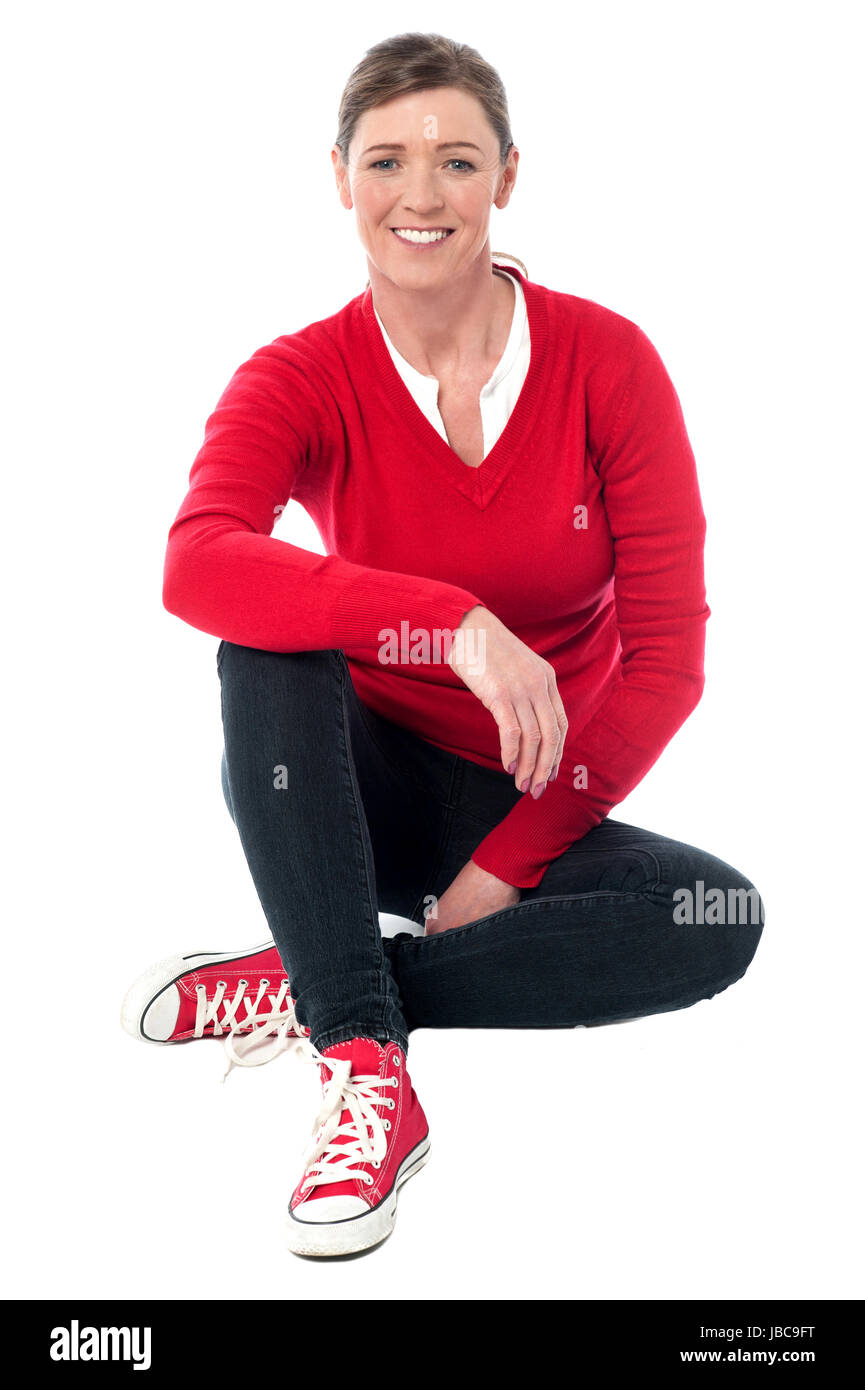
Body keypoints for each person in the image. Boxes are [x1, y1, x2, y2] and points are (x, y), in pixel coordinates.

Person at [121, 31, 765, 1259]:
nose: (421, 195)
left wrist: (511, 862)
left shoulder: (607, 365)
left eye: (458, 161)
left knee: (712, 916)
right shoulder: (299, 376)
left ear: (507, 178)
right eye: (387, 162)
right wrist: (449, 621)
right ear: (340, 178)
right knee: (262, 637)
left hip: (538, 800)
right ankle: (366, 1063)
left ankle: (317, 979)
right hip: (348, 795)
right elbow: (194, 560)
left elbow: (670, 659)